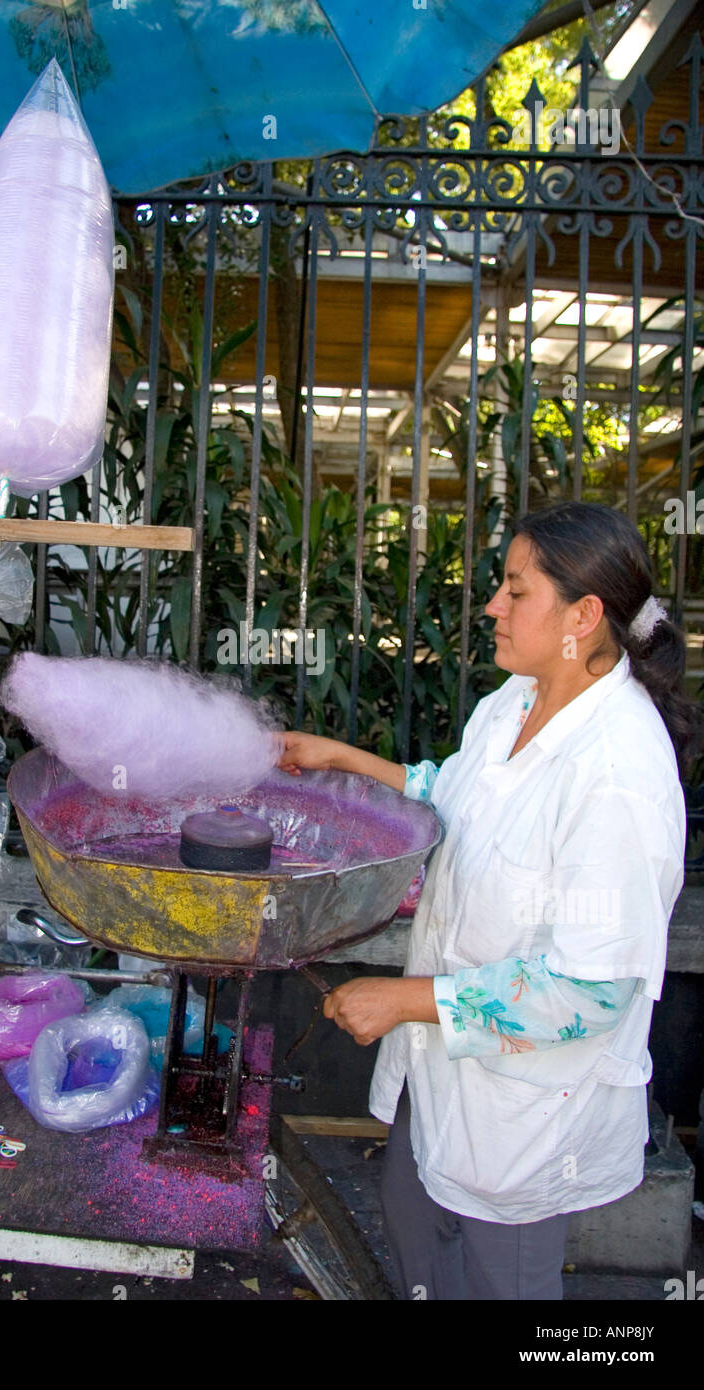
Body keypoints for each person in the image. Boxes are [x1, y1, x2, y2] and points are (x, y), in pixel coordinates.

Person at [279, 501, 701, 1301]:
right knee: (409, 1209)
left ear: (583, 614)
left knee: (501, 1281)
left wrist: (405, 999)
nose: (492, 607)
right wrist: (338, 757)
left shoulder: (618, 777)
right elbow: (459, 794)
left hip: (530, 1110)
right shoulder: (517, 699)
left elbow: (593, 988)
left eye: (515, 590)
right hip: (444, 1070)